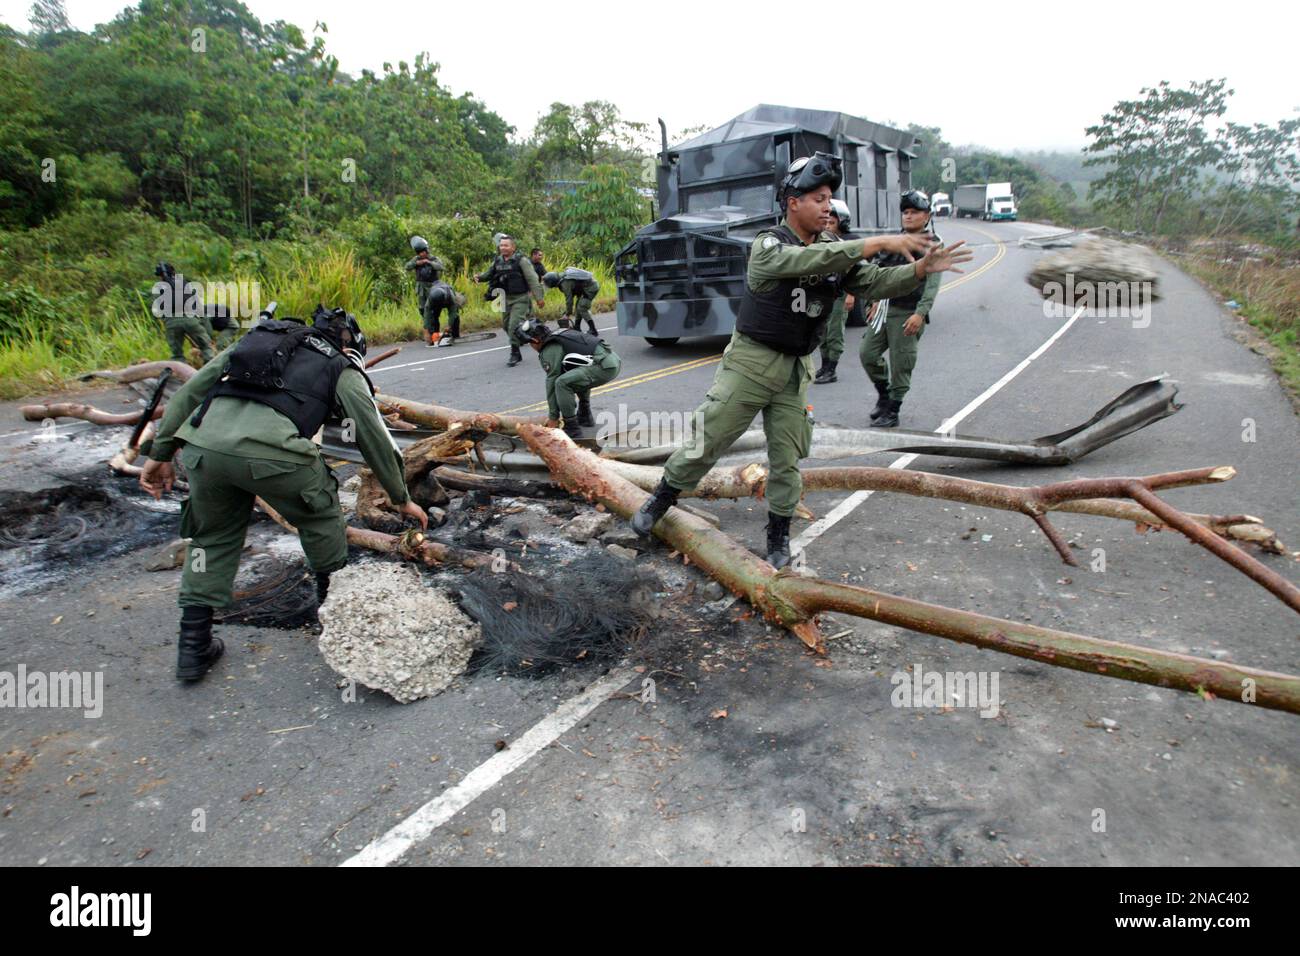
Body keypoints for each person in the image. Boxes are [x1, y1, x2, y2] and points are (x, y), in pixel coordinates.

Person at [629, 153, 971, 567]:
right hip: (751, 364)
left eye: (830, 198)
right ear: (793, 202)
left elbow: (875, 282)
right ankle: (659, 502)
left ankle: (777, 537)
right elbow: (799, 263)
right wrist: (877, 242)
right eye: (818, 198)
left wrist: (918, 270)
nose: (828, 206)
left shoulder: (834, 249)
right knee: (708, 439)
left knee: (787, 457)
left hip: (796, 370)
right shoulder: (769, 244)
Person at [139, 306, 427, 682]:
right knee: (321, 517)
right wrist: (400, 495)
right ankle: (333, 615)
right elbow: (373, 434)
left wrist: (159, 456)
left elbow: (189, 394)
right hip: (276, 459)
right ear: (350, 344)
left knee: (210, 540)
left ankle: (193, 647)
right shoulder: (339, 366)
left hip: (204, 453)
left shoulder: (258, 341)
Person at [859, 190, 943, 427]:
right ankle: (884, 396)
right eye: (905, 212)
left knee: (901, 362)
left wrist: (920, 313)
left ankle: (893, 409)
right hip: (885, 308)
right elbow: (879, 273)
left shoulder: (932, 244)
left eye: (914, 212)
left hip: (908, 311)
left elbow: (932, 285)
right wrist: (873, 301)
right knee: (868, 354)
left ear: (926, 216)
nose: (908, 216)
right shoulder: (895, 241)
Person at [518, 318, 621, 442]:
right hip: (612, 360)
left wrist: (553, 417)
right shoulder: (559, 334)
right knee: (573, 374)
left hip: (604, 367)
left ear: (535, 340)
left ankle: (572, 429)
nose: (532, 346)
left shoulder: (549, 348)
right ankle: (584, 415)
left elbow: (551, 382)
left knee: (562, 383)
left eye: (531, 344)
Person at [475, 235, 545, 367]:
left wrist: (539, 298)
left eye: (506, 245)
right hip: (504, 298)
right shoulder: (498, 261)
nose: (503, 248)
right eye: (501, 245)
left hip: (520, 298)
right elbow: (489, 274)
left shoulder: (521, 261)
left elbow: (532, 279)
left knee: (513, 325)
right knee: (506, 325)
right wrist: (480, 277)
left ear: (513, 247)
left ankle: (515, 353)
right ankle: (525, 333)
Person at [813, 199, 856, 384]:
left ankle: (832, 368)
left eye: (832, 222)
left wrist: (851, 295)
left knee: (835, 332)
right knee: (822, 331)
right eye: (827, 222)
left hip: (841, 294)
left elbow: (856, 272)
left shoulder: (849, 242)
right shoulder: (822, 241)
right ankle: (824, 365)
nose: (828, 226)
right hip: (824, 295)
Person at [405, 236, 461, 347]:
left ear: (426, 251)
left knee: (435, 310)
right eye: (419, 253)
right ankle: (431, 333)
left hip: (434, 286)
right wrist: (417, 264)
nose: (422, 254)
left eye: (423, 252)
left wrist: (429, 262)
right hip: (422, 288)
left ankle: (450, 332)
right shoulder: (416, 260)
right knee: (424, 310)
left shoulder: (433, 258)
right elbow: (407, 267)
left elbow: (441, 267)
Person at [153, 263, 214, 365]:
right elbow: (199, 309)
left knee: (177, 355)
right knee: (206, 348)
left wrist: (168, 322)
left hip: (171, 322)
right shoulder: (185, 284)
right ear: (174, 272)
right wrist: (208, 333)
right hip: (190, 319)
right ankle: (212, 370)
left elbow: (158, 311)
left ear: (160, 276)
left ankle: (180, 374)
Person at [542, 267, 600, 334]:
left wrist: (567, 314)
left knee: (582, 307)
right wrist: (567, 312)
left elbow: (569, 299)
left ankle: (593, 330)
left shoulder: (564, 283)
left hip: (591, 288)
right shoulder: (562, 279)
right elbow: (572, 294)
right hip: (585, 289)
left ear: (552, 282)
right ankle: (577, 327)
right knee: (578, 307)